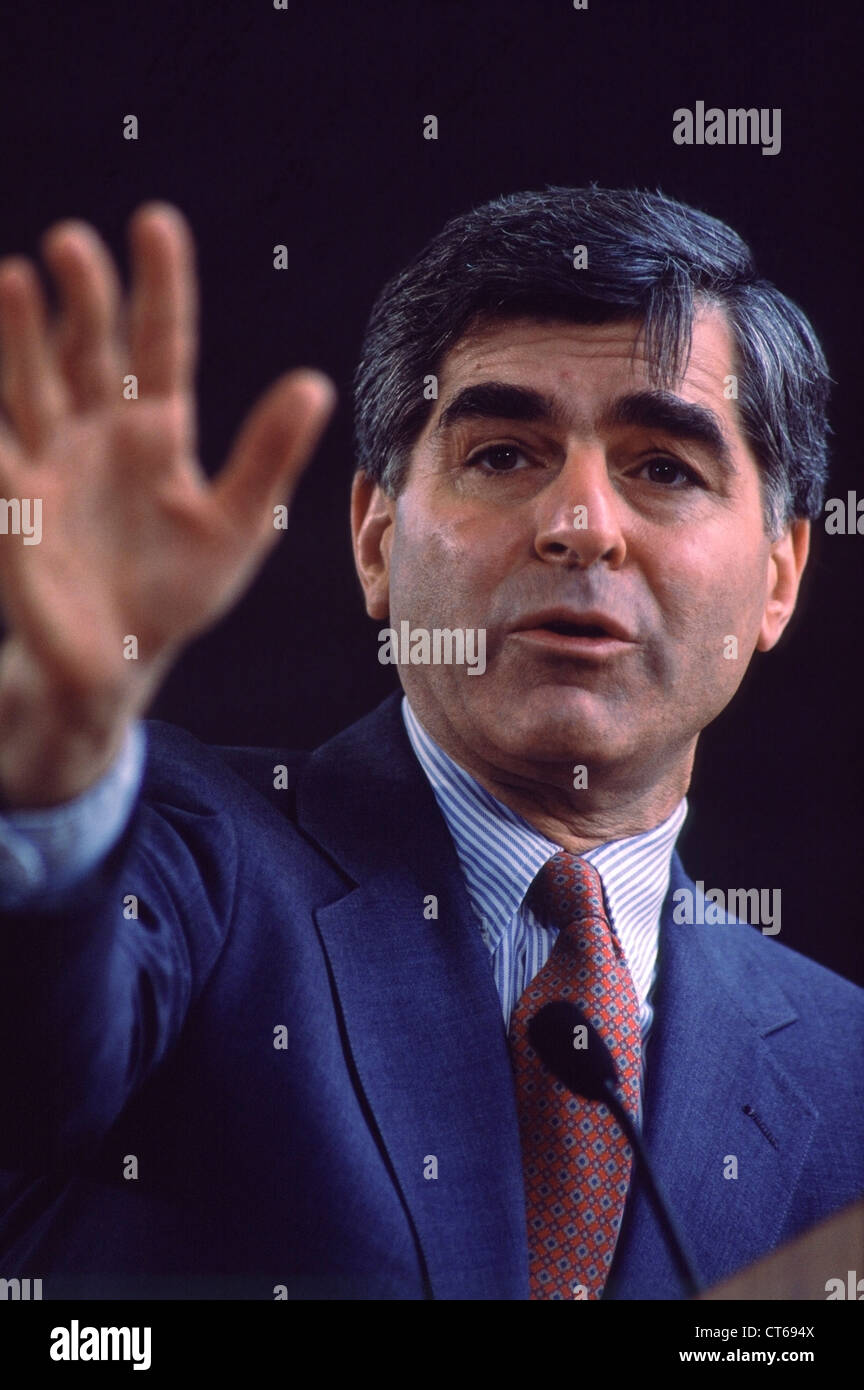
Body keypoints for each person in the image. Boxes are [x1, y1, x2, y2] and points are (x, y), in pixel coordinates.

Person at [0, 187, 860, 1301]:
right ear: (374, 541)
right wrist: (56, 762)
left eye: (663, 468)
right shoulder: (186, 855)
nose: (580, 523)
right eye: (504, 454)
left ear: (782, 575)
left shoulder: (845, 1073)